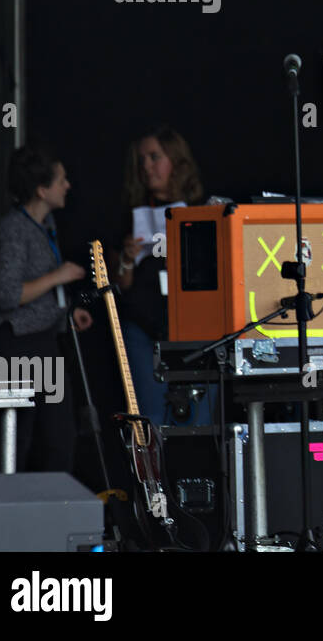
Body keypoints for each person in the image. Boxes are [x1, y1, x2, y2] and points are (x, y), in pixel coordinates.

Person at [0, 143, 93, 472]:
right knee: (18, 438)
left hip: (42, 341)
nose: (67, 185)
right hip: (15, 345)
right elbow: (8, 295)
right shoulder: (14, 231)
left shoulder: (44, 226)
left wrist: (66, 311)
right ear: (42, 190)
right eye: (61, 180)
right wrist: (58, 276)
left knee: (56, 436)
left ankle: (53, 515)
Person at [111, 125, 208, 425]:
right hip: (143, 326)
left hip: (195, 328)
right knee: (151, 418)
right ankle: (154, 473)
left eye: (154, 157)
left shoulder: (201, 209)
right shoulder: (129, 212)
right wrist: (127, 258)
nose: (146, 166)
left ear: (176, 161)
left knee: (198, 419)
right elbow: (121, 285)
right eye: (141, 160)